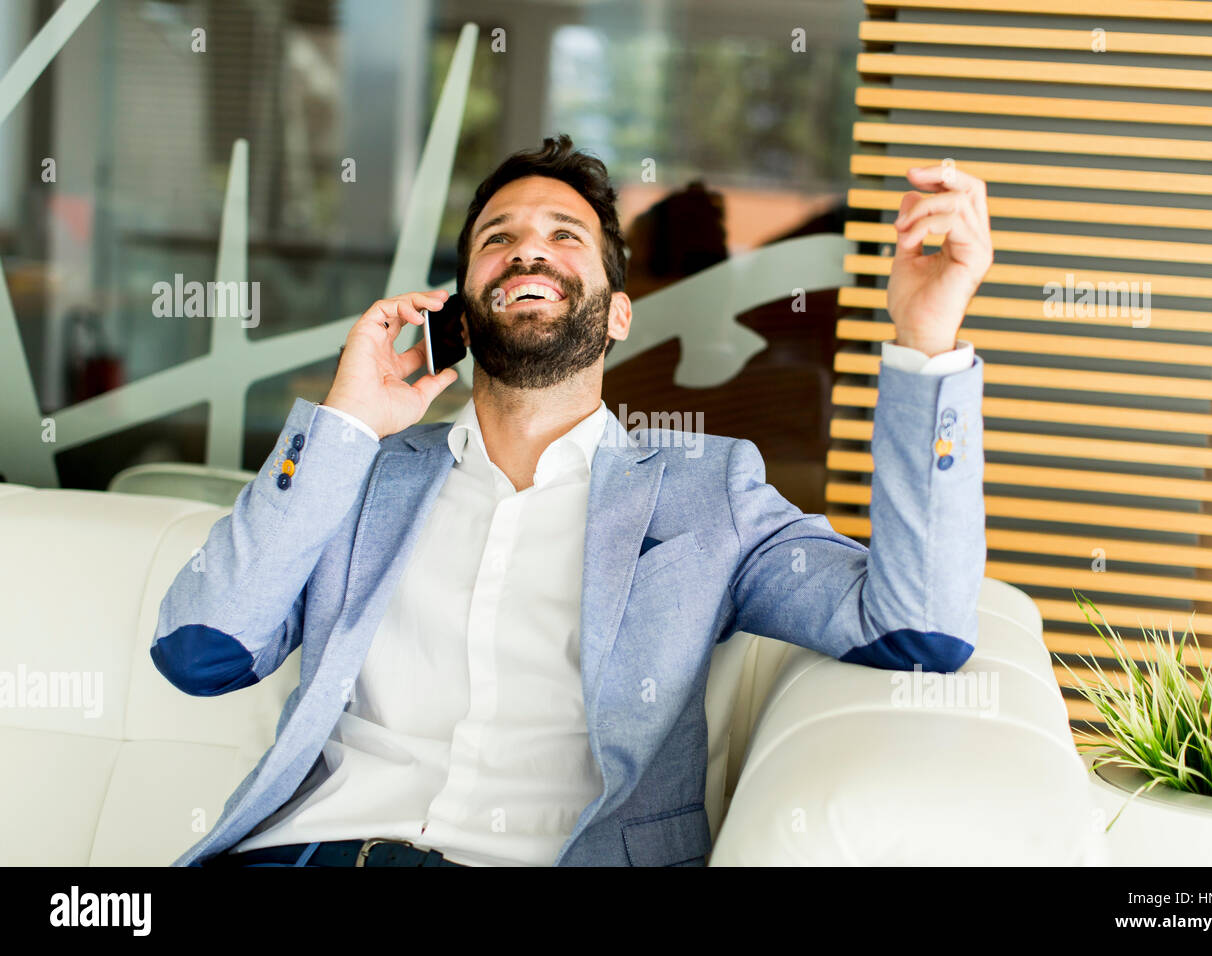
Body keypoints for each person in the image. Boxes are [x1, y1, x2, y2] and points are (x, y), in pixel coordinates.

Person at [151, 134, 993, 867]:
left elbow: (918, 630)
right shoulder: (359, 474)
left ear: (618, 313)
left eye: (564, 236)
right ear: (457, 312)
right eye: (498, 238)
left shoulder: (711, 491)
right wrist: (344, 423)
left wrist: (926, 340)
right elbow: (200, 652)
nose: (528, 252)